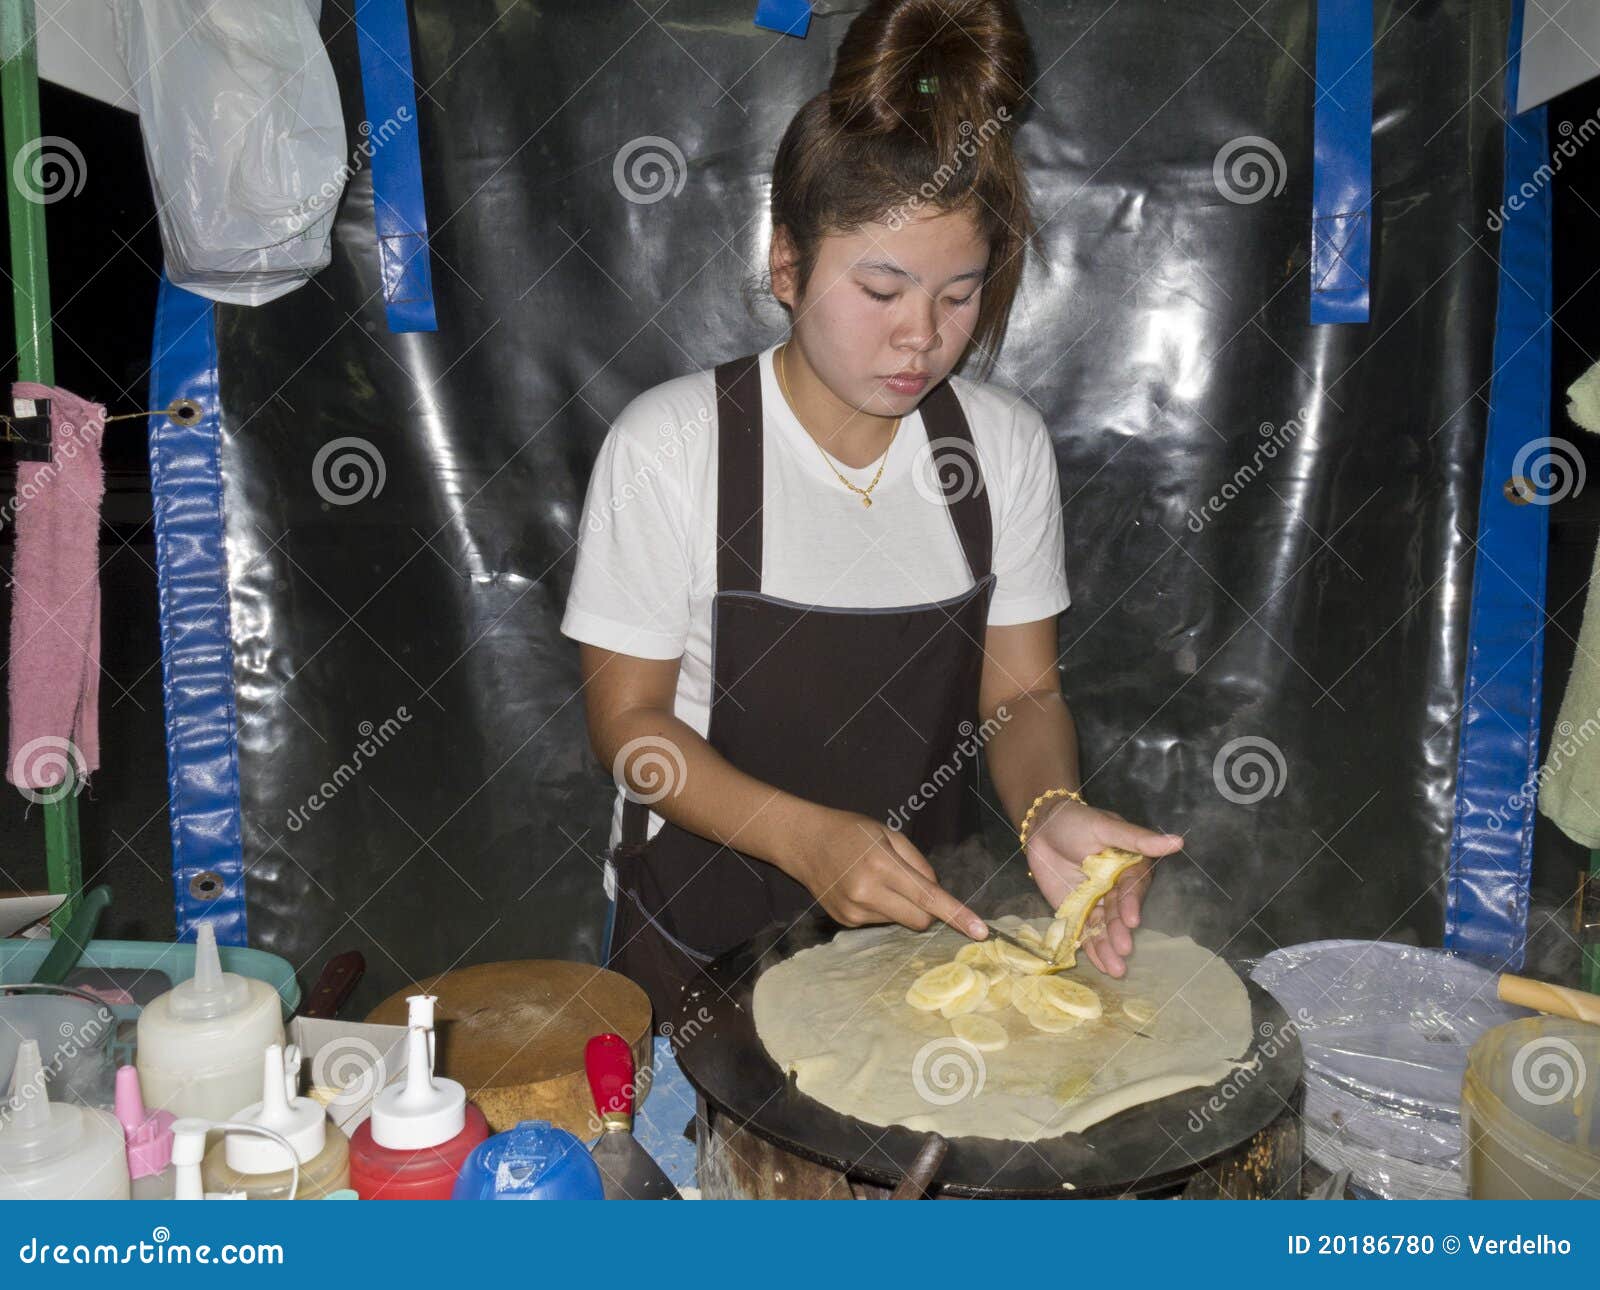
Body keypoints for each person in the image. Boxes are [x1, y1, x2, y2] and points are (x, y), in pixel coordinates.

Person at [560, 0, 1183, 1026]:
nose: (918, 340)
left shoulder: (998, 448)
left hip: (909, 948)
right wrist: (804, 837)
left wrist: (1049, 807)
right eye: (881, 289)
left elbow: (1021, 698)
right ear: (786, 264)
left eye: (957, 296)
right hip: (695, 945)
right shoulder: (672, 445)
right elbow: (627, 728)